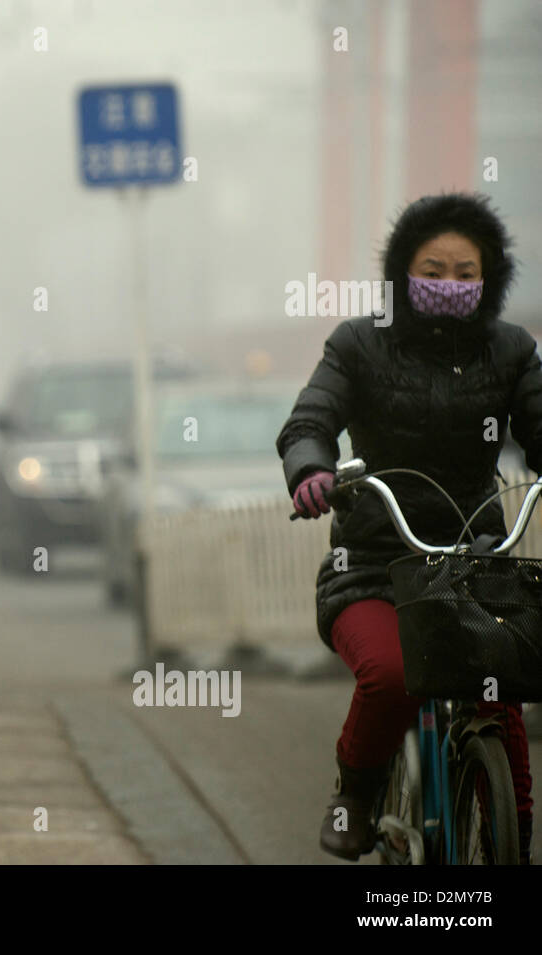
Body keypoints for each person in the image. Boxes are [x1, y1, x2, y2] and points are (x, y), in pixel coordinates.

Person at [277, 192, 536, 863]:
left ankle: (509, 839)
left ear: (489, 279)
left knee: (501, 687)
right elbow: (311, 420)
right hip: (370, 567)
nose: (449, 284)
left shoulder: (511, 350)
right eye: (433, 269)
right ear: (402, 272)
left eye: (465, 272)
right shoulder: (358, 343)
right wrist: (311, 469)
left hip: (476, 562)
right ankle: (355, 793)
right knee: (392, 675)